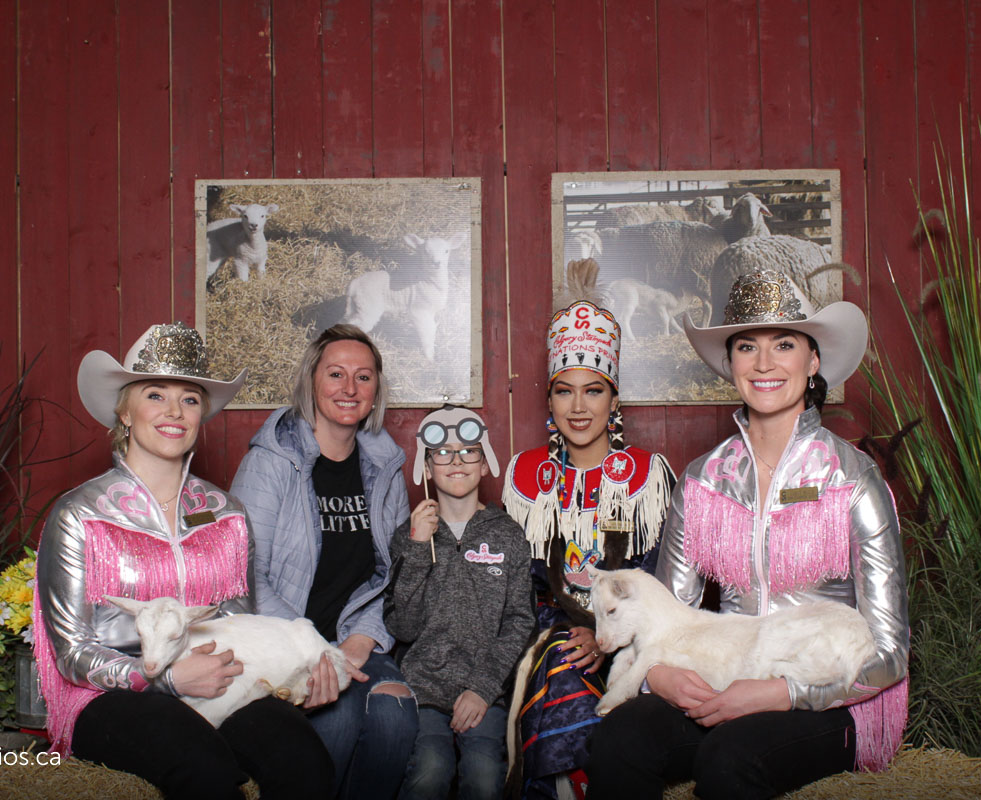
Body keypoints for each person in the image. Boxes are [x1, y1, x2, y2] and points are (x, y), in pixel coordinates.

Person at [586, 269, 910, 799]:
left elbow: (889, 652)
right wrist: (657, 677)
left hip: (825, 694)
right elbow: (666, 616)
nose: (764, 363)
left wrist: (782, 692)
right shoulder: (701, 481)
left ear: (813, 361)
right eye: (746, 346)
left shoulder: (852, 480)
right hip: (720, 675)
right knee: (619, 739)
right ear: (729, 363)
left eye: (784, 344)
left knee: (729, 758)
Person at [33, 321, 333, 799]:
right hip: (111, 696)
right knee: (205, 771)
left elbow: (239, 623)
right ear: (124, 413)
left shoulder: (226, 514)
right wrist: (165, 678)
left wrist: (292, 666)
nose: (174, 411)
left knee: (306, 764)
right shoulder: (79, 514)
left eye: (190, 399)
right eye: (155, 394)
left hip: (216, 680)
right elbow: (71, 652)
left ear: (201, 416)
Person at [502, 268, 676, 799]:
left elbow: (661, 580)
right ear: (550, 401)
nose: (579, 408)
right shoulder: (526, 475)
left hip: (634, 636)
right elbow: (518, 586)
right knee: (560, 658)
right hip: (552, 633)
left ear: (614, 399)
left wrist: (607, 635)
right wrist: (570, 631)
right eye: (565, 392)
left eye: (593, 391)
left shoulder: (648, 475)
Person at [230, 324, 418, 800]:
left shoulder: (385, 466)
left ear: (377, 390)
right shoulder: (270, 460)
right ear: (311, 381)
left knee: (395, 717)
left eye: (364, 376)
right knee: (340, 715)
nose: (349, 389)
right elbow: (246, 575)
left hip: (356, 639)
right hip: (288, 640)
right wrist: (311, 648)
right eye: (336, 374)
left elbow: (394, 572)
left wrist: (362, 638)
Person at [387, 406, 535, 800]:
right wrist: (418, 548)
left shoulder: (507, 536)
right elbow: (402, 627)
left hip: (485, 690)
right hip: (424, 690)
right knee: (430, 771)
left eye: (469, 451)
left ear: (485, 464)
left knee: (485, 775)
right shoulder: (409, 536)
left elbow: (521, 621)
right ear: (426, 466)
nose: (456, 461)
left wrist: (484, 688)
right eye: (443, 453)